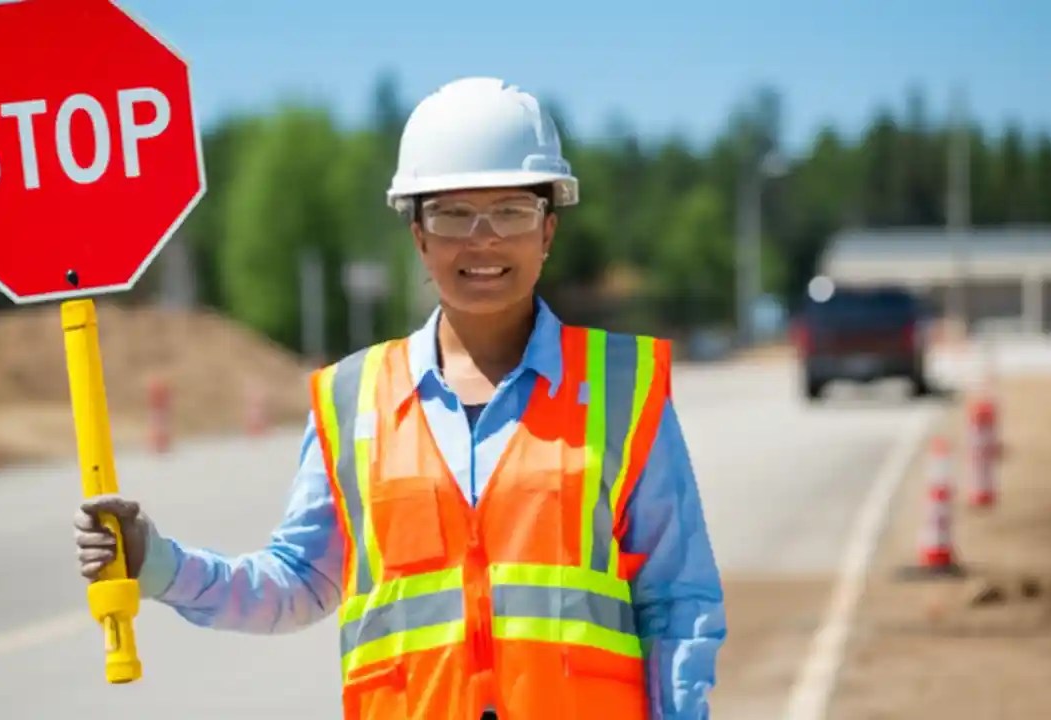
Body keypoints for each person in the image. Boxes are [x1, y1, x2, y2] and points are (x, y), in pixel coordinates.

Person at [74, 76, 726, 720]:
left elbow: (677, 599)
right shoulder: (354, 399)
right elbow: (298, 582)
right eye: (451, 214)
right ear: (418, 235)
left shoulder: (620, 388)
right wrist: (158, 565)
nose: (482, 239)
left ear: (547, 231)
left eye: (510, 211)